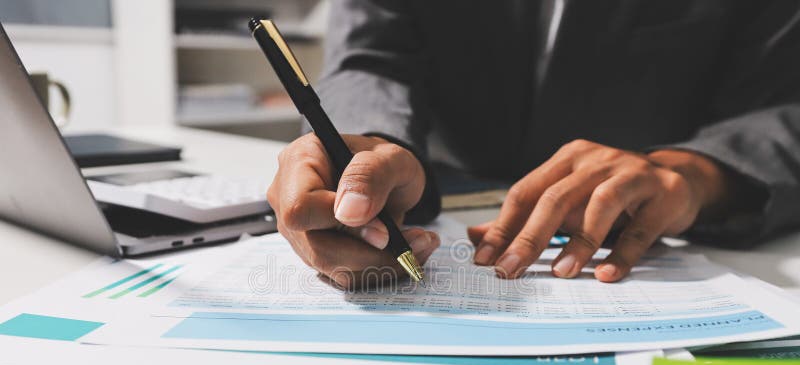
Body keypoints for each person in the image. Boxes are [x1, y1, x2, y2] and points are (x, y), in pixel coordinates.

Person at [268, 0, 800, 287]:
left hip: (682, 228)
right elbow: (367, 58)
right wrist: (369, 149)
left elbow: (786, 101)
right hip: (445, 197)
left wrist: (696, 172)